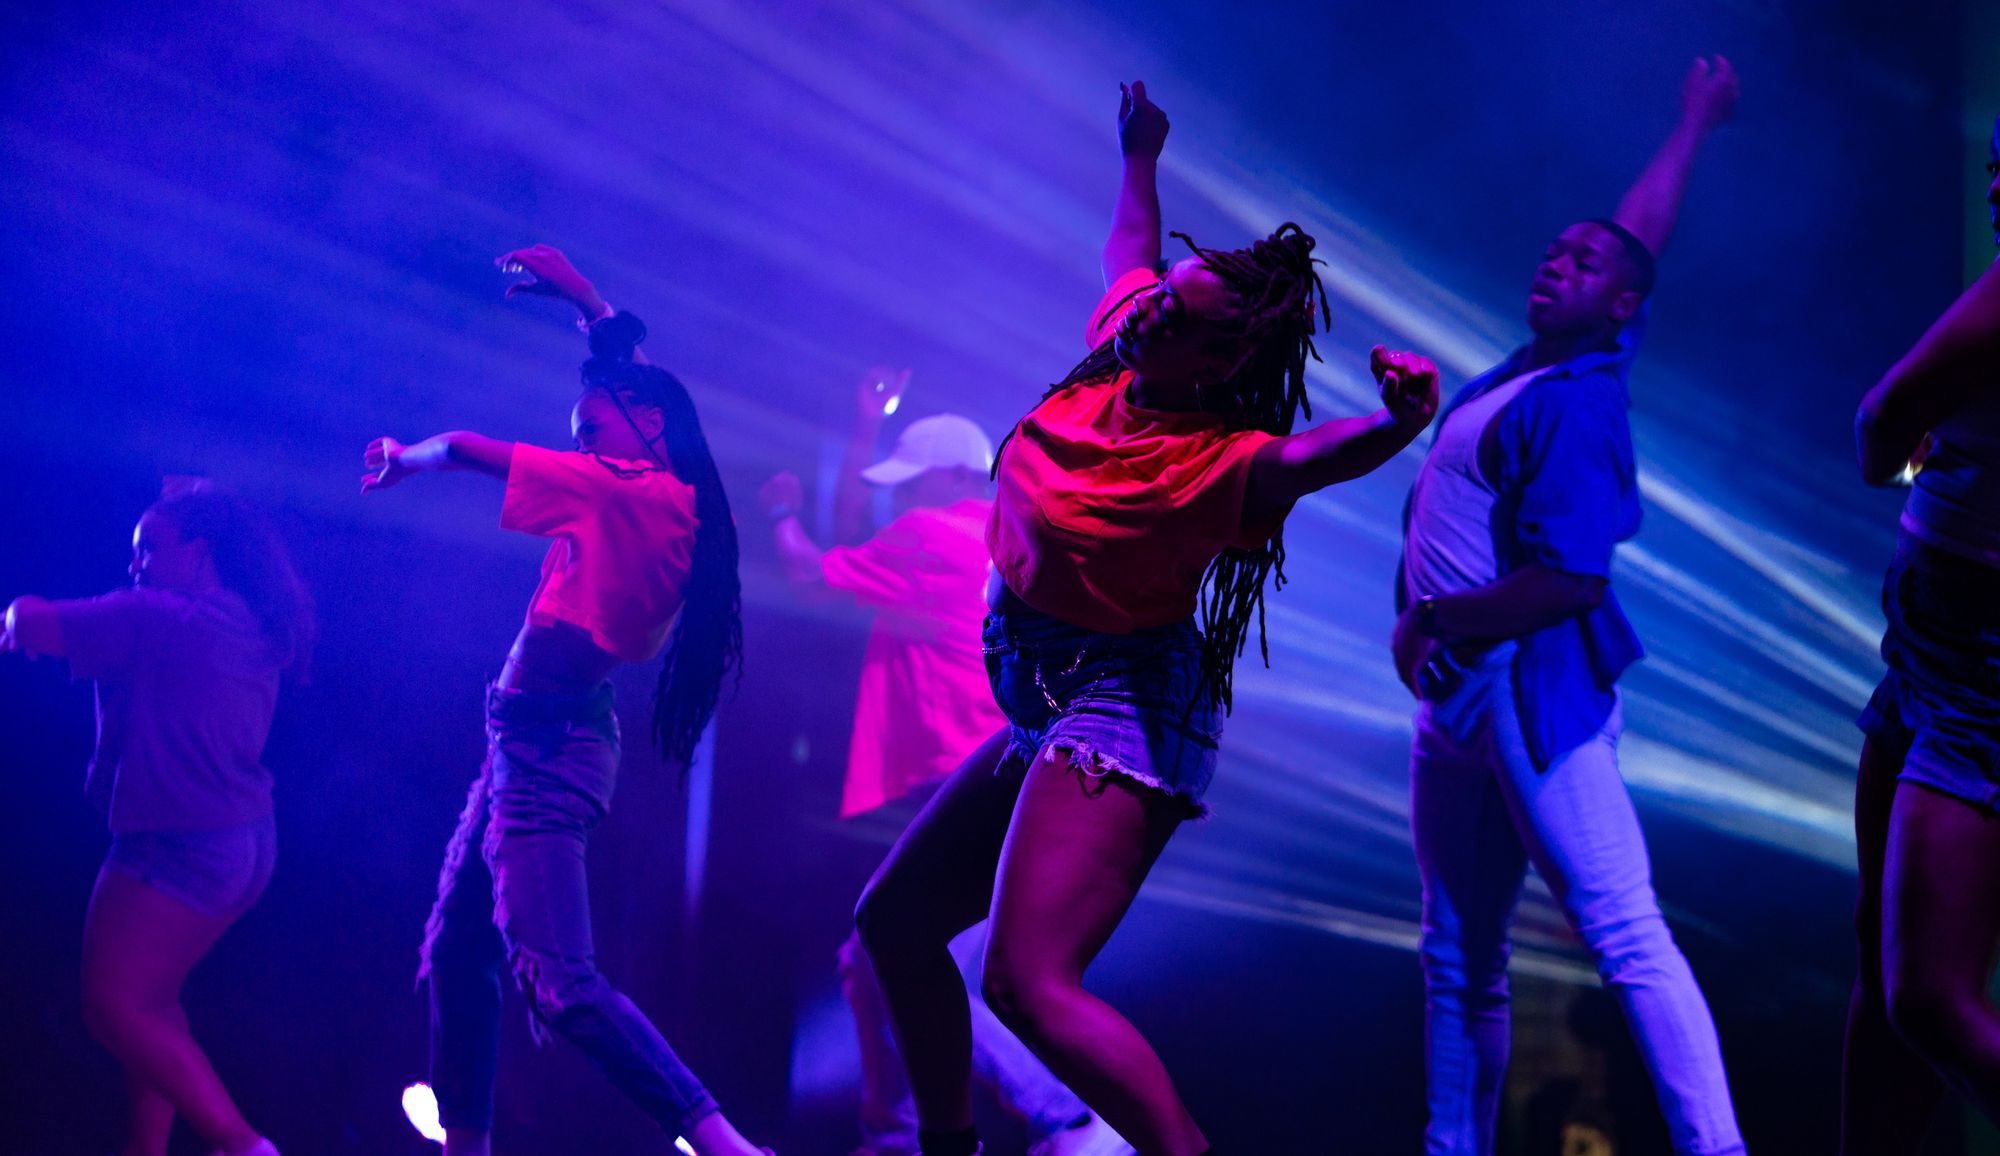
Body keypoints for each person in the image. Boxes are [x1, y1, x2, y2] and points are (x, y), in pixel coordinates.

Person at [854, 80, 1438, 1156]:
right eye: (1161, 295)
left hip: (1123, 707)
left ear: (1219, 365)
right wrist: (1139, 154)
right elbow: (1129, 250)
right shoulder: (1125, 346)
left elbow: (1314, 456)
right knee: (891, 924)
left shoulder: (1216, 463)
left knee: (1025, 981)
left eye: (1178, 314)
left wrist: (1401, 419)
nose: (1152, 308)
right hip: (1046, 700)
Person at [1388, 57, 1742, 1156]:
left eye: (1581, 262)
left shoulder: (1580, 402)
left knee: (1623, 930)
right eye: (1552, 249)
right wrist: (1684, 125)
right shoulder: (1525, 372)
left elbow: (1572, 578)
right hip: (1459, 706)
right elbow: (1634, 236)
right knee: (1455, 954)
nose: (1558, 261)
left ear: (1619, 306)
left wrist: (1437, 623)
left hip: (1531, 694)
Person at [363, 260, 769, 1156]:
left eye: (589, 429)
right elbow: (635, 389)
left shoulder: (617, 489)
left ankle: (730, 1148)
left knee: (560, 982)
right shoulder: (672, 496)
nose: (579, 445)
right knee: (458, 952)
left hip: (545, 755)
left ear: (645, 425)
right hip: (535, 740)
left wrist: (408, 459)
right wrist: (590, 307)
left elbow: (470, 447)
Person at [758, 375, 1131, 1156]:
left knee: (933, 959)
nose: (902, 500)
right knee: (869, 960)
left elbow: (810, 570)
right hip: (1000, 767)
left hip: (949, 769)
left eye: (912, 481)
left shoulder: (927, 537)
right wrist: (866, 429)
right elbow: (862, 529)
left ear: (953, 476)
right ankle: (892, 1129)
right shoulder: (995, 531)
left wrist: (781, 516)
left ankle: (1064, 1120)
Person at [2, 483, 315, 1156]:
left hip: (178, 846)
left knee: (110, 1006)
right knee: (154, 1003)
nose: (135, 565)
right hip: (247, 844)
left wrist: (11, 615)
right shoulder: (246, 621)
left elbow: (32, 623)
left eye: (147, 551)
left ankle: (242, 1146)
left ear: (198, 556)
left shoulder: (163, 619)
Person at [1841, 114, 2000, 1154]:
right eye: (1995, 167)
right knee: (1879, 950)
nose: (1995, 189)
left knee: (1927, 997)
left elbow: (1875, 428)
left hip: (1977, 661)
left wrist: (1907, 461)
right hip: (1931, 644)